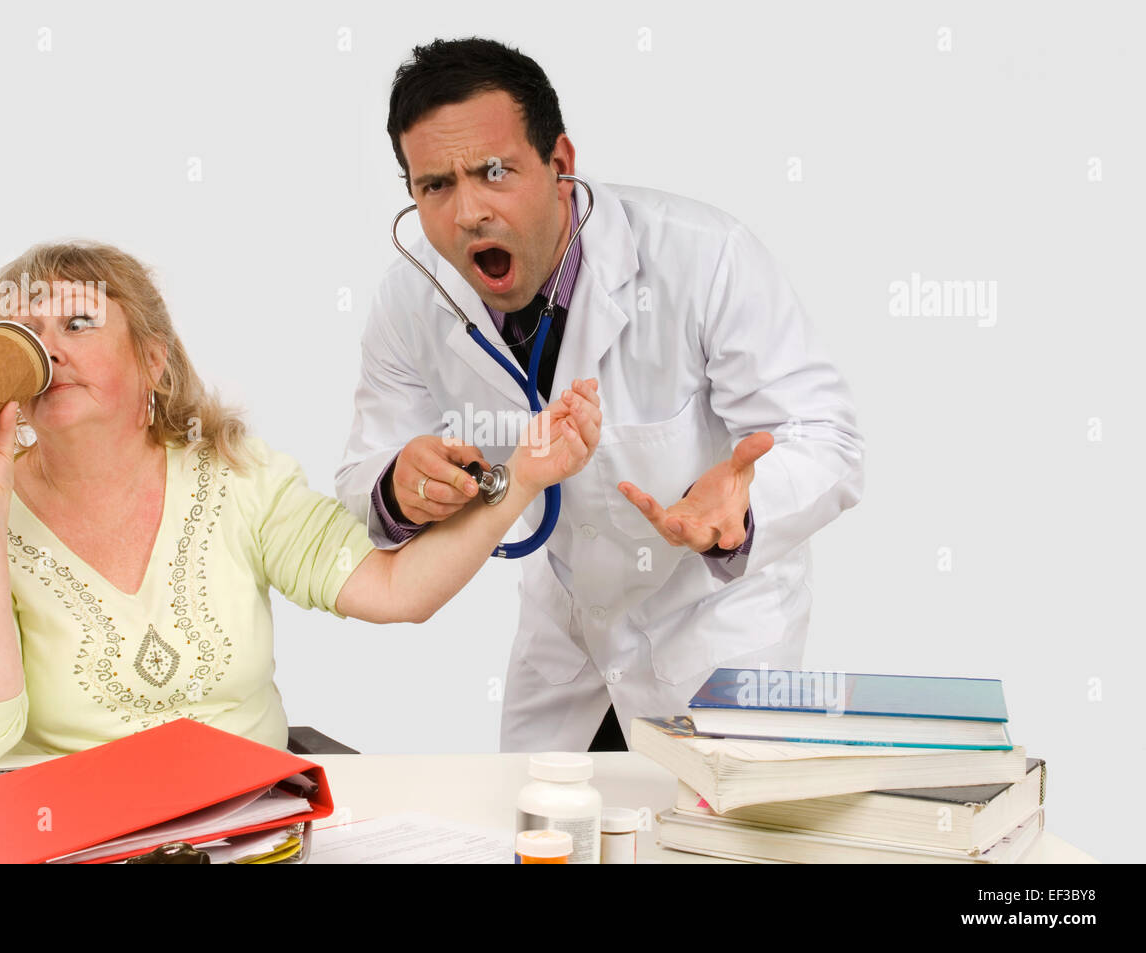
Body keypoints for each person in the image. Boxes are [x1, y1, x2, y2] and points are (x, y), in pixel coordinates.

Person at [0, 240, 601, 768]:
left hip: (245, 834)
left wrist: (527, 476)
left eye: (79, 324)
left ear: (152, 360)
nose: (51, 350)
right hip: (68, 843)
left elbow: (395, 588)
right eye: (28, 335)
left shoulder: (236, 476)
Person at [335, 38, 865, 752]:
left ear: (560, 164)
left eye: (494, 172)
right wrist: (399, 488)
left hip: (715, 633)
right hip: (568, 636)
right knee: (538, 835)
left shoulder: (704, 257)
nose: (467, 213)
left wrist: (744, 503)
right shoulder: (411, 300)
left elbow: (828, 437)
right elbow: (364, 473)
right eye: (435, 185)